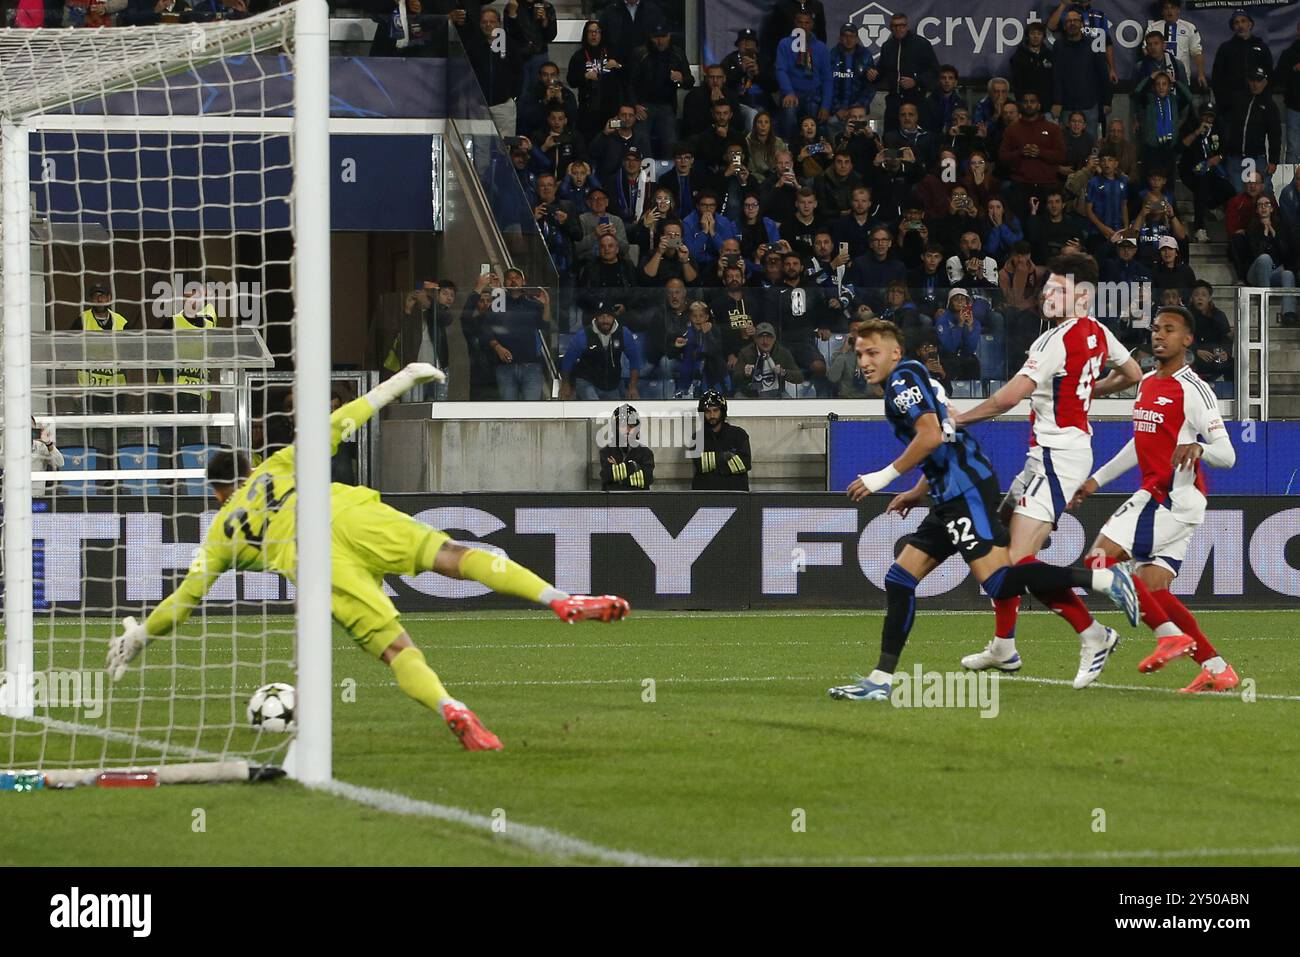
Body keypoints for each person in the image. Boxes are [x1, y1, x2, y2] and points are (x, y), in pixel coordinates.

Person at [105, 364, 631, 752]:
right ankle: (560, 599)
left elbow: (184, 601)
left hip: (316, 563)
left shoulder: (220, 533)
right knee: (454, 555)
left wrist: (140, 636)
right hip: (347, 513)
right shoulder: (276, 466)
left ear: (217, 492)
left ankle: (452, 708)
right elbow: (340, 422)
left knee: (398, 651)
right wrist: (402, 379)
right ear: (247, 469)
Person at [827, 319, 1139, 701]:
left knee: (1001, 580)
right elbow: (945, 437)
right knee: (900, 579)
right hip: (949, 489)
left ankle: (1102, 580)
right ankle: (882, 680)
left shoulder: (901, 381)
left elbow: (931, 435)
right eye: (859, 353)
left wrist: (883, 477)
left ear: (895, 352)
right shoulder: (911, 376)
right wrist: (918, 490)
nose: (864, 361)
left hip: (964, 490)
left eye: (872, 352)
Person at [951, 253, 1142, 678]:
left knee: (1018, 561)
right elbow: (1132, 373)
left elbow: (1007, 398)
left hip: (1058, 457)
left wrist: (958, 420)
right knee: (999, 545)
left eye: (1059, 289)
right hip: (1053, 455)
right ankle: (1003, 647)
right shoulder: (1098, 331)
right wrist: (1081, 390)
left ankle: (1094, 626)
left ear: (1083, 296)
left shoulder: (1053, 341)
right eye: (1047, 288)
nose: (1048, 296)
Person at [1070, 306, 1239, 693]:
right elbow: (1140, 442)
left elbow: (1227, 455)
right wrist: (1096, 479)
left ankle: (1169, 637)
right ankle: (1217, 669)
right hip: (1169, 499)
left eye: (1170, 329)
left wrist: (1199, 447)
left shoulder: (1193, 390)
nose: (1159, 335)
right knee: (1154, 588)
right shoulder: (1146, 382)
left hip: (1169, 498)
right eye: (1156, 328)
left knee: (1099, 559)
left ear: (1188, 340)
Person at [479, 269, 551, 400]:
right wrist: (497, 347)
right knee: (509, 409)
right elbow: (486, 330)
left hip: (531, 366)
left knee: (532, 409)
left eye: (517, 277)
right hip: (505, 367)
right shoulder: (498, 305)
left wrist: (546, 306)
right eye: (509, 278)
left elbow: (545, 326)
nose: (513, 280)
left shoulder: (533, 304)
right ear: (505, 282)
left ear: (523, 282)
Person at [628, 23, 693, 157]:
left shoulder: (677, 54)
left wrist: (681, 78)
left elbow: (690, 82)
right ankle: (646, 169)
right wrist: (635, 105)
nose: (660, 41)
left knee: (671, 142)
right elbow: (629, 83)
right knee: (641, 142)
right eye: (656, 37)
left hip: (667, 106)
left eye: (663, 37)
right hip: (643, 105)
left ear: (669, 36)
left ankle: (669, 170)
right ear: (650, 37)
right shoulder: (640, 53)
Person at [561, 308, 643, 401]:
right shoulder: (583, 336)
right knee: (594, 404)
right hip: (586, 380)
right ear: (596, 317)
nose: (605, 320)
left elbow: (634, 360)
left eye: (608, 316)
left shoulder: (624, 334)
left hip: (612, 384)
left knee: (616, 409)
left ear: (614, 318)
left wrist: (633, 386)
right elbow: (567, 361)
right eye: (601, 316)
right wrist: (565, 384)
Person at [1245, 195, 1298, 325]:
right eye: (1260, 205)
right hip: (1256, 272)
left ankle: (1289, 314)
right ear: (1256, 210)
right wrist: (1264, 235)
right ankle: (1264, 302)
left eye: (1267, 204)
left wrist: (1275, 236)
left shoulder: (1280, 227)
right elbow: (1255, 254)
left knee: (1288, 274)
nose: (1263, 207)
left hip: (1275, 271)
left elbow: (1286, 255)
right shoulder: (1252, 228)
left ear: (1272, 209)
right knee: (1265, 258)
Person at [1210, 8, 1274, 113]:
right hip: (1232, 104)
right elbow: (1217, 77)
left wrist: (1264, 96)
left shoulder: (1262, 47)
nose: (1240, 25)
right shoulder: (1225, 48)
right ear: (1233, 27)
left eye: (1243, 21)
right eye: (1236, 22)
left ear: (1250, 24)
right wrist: (1223, 101)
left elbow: (1269, 73)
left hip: (1257, 101)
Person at [691, 390, 751, 490]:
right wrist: (724, 456)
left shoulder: (739, 434)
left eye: (715, 410)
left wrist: (712, 464)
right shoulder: (697, 437)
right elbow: (700, 464)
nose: (712, 415)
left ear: (722, 411)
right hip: (706, 495)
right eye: (707, 411)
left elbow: (745, 463)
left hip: (735, 494)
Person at [1148, 0, 1206, 91]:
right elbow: (1146, 50)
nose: (1169, 11)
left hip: (1182, 79)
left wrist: (1201, 74)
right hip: (1158, 81)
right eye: (1166, 8)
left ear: (1178, 10)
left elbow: (1197, 52)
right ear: (1162, 11)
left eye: (1173, 8)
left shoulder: (1189, 28)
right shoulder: (1153, 27)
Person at [736, 321, 804, 398]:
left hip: (777, 395)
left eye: (769, 337)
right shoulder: (745, 353)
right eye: (761, 337)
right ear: (755, 339)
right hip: (750, 396)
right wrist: (744, 373)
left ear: (774, 339)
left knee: (788, 400)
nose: (765, 341)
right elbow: (734, 378)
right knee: (738, 396)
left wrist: (784, 372)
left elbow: (800, 377)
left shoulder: (782, 353)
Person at [599, 403, 654, 490]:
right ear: (615, 428)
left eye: (631, 426)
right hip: (613, 498)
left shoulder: (646, 453)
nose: (627, 430)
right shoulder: (606, 452)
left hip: (639, 498)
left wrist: (619, 474)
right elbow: (607, 478)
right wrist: (634, 467)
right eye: (623, 426)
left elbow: (647, 479)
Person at [1187, 282, 1233, 383]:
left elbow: (1226, 337)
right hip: (1193, 355)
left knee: (1231, 364)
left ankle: (1228, 390)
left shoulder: (1219, 315)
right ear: (1191, 298)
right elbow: (1183, 337)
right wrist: (1196, 351)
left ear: (1209, 299)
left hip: (1215, 354)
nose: (1200, 298)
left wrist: (1225, 352)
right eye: (1196, 295)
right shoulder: (1186, 315)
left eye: (1204, 295)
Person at [1010, 20, 1054, 109]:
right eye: (1032, 33)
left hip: (1047, 104)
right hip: (1026, 105)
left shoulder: (1050, 55)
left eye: (1039, 34)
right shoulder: (1018, 57)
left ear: (1043, 37)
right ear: (1027, 36)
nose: (1035, 36)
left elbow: (1055, 80)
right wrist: (1020, 101)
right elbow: (1016, 83)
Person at [30, 416, 64, 498]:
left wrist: (48, 443)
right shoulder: (10, 448)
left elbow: (60, 463)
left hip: (36, 498)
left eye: (30, 427)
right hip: (13, 498)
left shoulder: (41, 446)